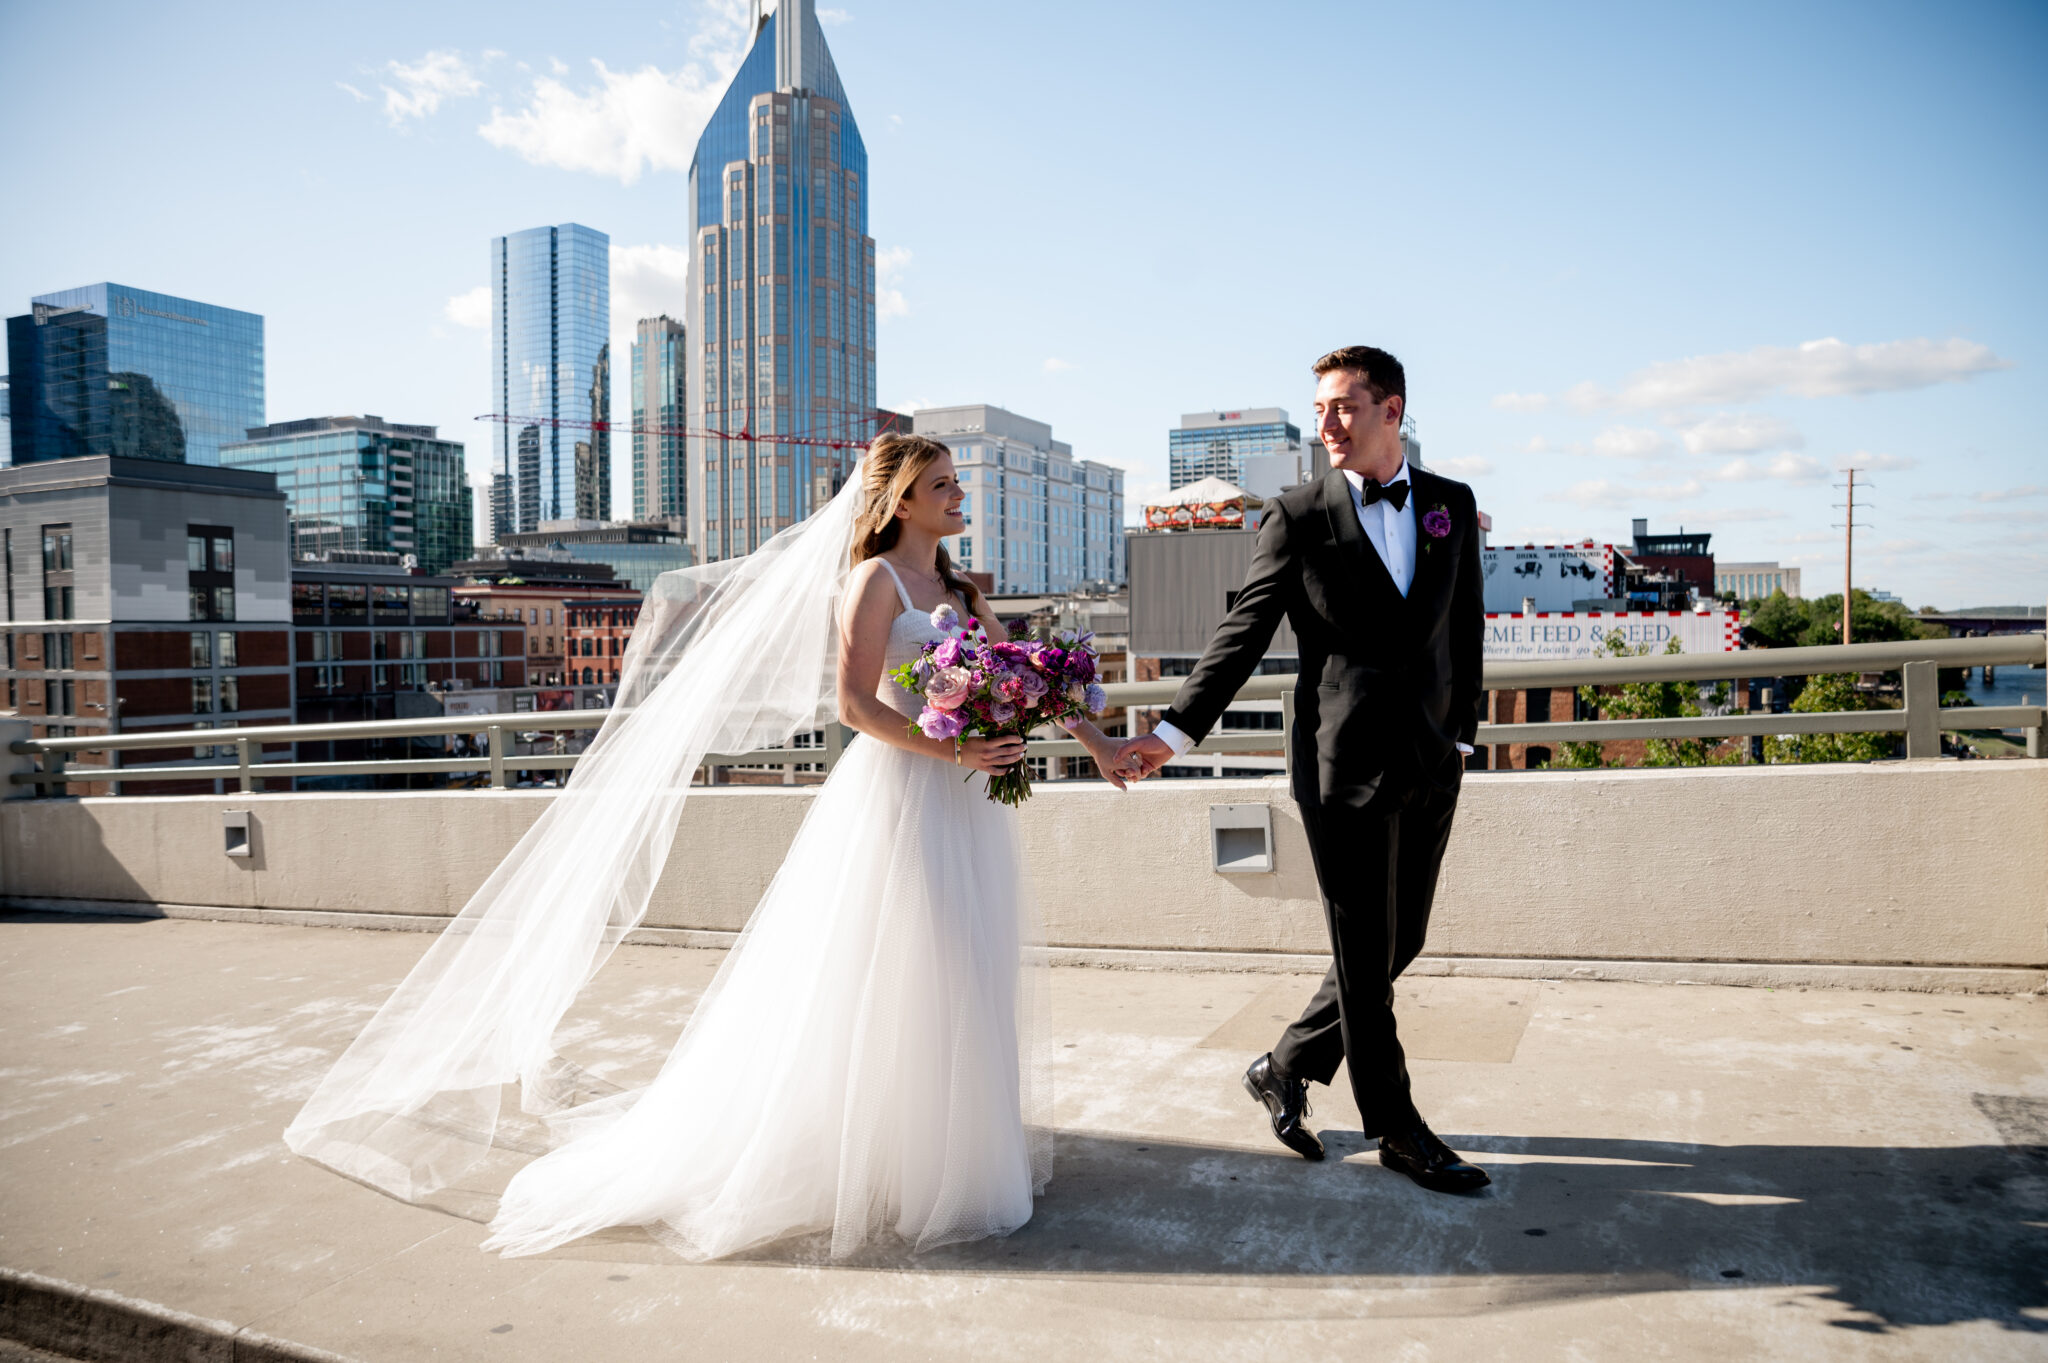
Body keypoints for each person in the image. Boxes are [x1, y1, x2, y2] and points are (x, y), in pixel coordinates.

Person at [287, 433, 1130, 1260]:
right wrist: (955, 747)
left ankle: (954, 1159)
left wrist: (1097, 741)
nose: (958, 494)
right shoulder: (873, 582)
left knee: (969, 967)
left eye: (954, 481)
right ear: (901, 499)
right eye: (942, 483)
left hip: (969, 802)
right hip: (907, 794)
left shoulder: (961, 588)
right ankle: (890, 1161)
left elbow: (1033, 676)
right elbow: (855, 706)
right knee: (912, 964)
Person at [1116, 346, 1490, 1194]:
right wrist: (1172, 735)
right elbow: (1242, 636)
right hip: (1340, 766)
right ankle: (1396, 1127)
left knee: (1402, 941)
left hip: (1432, 761)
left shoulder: (1450, 506)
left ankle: (1284, 1065)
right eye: (1320, 407)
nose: (1325, 423)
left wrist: (1462, 736)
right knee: (1363, 954)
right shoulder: (1296, 514)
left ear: (1392, 410)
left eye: (1344, 407)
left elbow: (1464, 629)